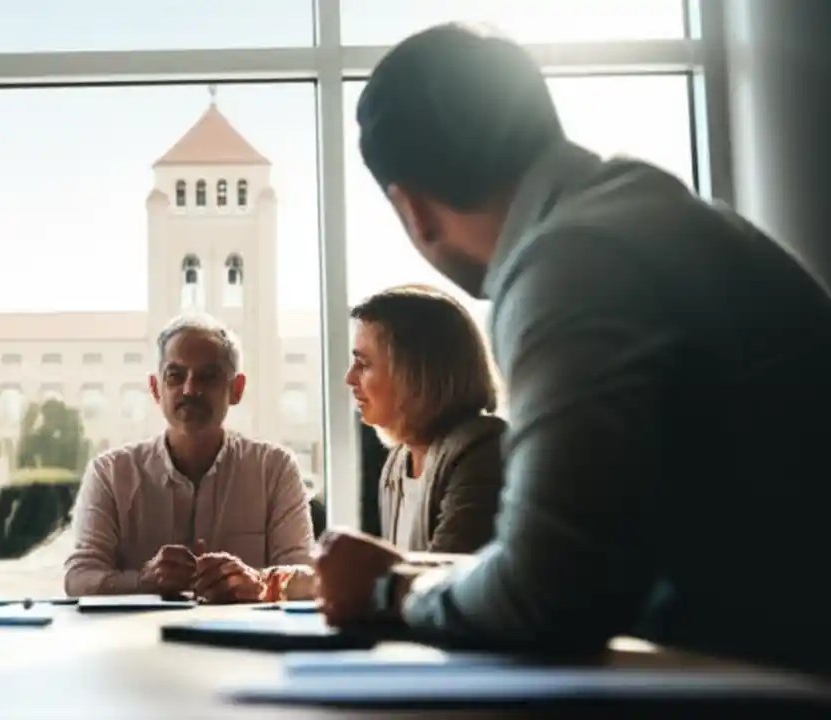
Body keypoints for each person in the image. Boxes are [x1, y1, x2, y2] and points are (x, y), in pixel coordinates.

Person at [316, 24, 831, 671]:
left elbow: (548, 593)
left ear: (412, 207)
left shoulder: (568, 263)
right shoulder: (641, 212)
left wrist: (390, 588)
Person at [65, 314, 315, 603]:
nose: (190, 389)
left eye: (208, 376)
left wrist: (257, 582)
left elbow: (306, 576)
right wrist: (144, 580)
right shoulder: (110, 473)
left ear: (236, 389)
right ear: (155, 389)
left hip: (245, 643)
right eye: (175, 376)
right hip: (140, 641)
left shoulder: (274, 469)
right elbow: (78, 578)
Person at [347, 284, 504, 553]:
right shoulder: (399, 460)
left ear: (414, 373)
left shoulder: (481, 450)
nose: (349, 379)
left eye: (364, 364)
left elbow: (447, 575)